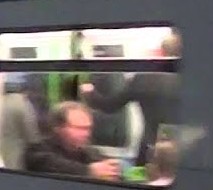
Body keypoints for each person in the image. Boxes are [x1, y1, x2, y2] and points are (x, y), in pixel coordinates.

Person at [79, 33, 181, 164]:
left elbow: (109, 106)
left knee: (141, 178)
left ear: (161, 52)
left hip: (151, 147)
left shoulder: (144, 78)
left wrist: (90, 92)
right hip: (186, 147)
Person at [25, 101, 121, 180]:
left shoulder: (91, 153)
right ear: (58, 127)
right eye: (79, 128)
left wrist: (112, 171)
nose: (86, 134)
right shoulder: (37, 151)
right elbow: (51, 165)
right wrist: (89, 171)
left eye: (88, 128)